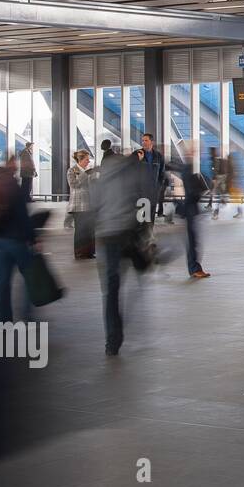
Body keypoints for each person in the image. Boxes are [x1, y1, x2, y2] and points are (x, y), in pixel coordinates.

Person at [95, 143, 154, 356]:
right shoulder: (137, 171)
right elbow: (145, 202)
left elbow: (95, 203)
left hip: (107, 235)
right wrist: (146, 233)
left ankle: (113, 338)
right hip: (128, 234)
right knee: (136, 278)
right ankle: (132, 327)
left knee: (111, 289)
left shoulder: (104, 174)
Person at [0, 159, 36, 323]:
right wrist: (33, 238)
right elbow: (23, 216)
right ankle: (26, 315)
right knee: (30, 275)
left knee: (0, 282)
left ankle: (2, 319)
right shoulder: (13, 186)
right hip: (15, 241)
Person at [172, 142, 211, 280]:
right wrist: (201, 190)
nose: (196, 152)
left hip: (191, 208)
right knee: (192, 240)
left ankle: (195, 267)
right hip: (190, 208)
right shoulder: (188, 168)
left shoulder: (189, 167)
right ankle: (194, 268)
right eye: (194, 150)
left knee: (193, 240)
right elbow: (191, 191)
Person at [67, 149, 96, 259]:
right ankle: (79, 253)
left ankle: (89, 252)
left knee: (90, 230)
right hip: (78, 206)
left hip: (89, 205)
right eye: (87, 160)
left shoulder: (88, 171)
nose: (88, 162)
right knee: (80, 231)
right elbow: (74, 185)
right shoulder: (72, 170)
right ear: (81, 159)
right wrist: (86, 174)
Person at [137, 133, 166, 222]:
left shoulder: (158, 156)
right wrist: (138, 161)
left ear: (151, 142)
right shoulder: (138, 154)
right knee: (140, 214)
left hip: (153, 190)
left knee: (151, 213)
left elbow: (162, 173)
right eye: (142, 140)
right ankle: (141, 233)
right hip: (140, 189)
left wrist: (158, 187)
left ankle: (148, 233)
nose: (144, 142)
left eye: (146, 140)